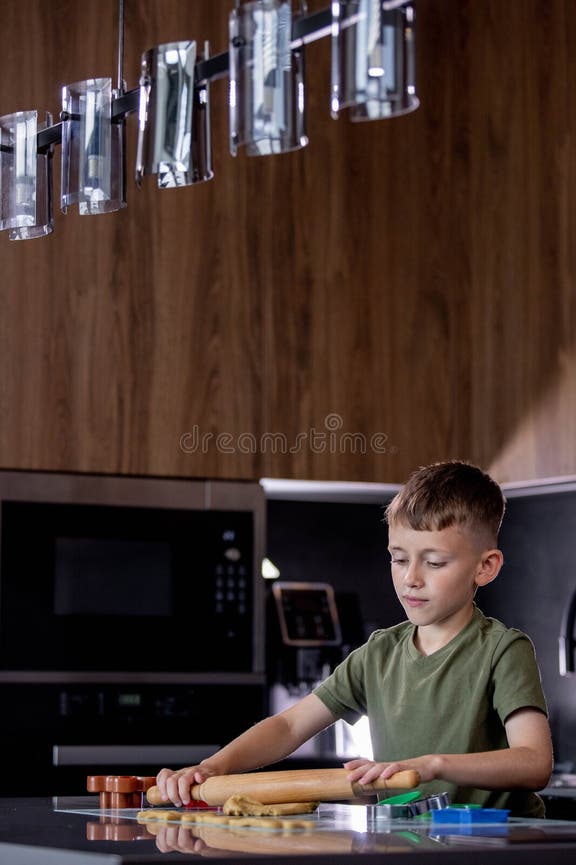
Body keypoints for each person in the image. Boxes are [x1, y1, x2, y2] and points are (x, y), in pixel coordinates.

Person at [156, 460, 553, 817]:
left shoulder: (502, 650)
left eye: (434, 562)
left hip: (495, 846)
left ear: (485, 567)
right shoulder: (379, 653)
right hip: (412, 843)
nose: (410, 577)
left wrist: (433, 765)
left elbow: (534, 763)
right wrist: (214, 767)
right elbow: (290, 726)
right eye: (398, 558)